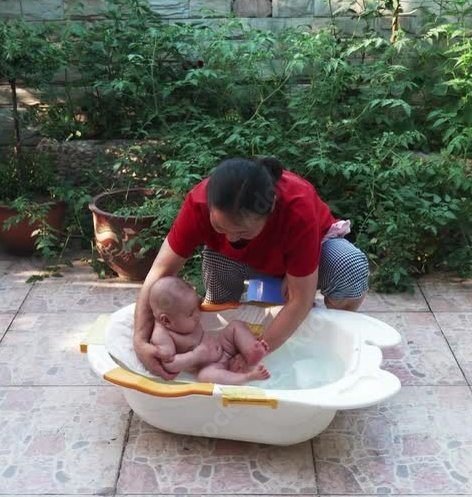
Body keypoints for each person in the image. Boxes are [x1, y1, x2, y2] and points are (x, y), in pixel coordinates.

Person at [133, 157, 370, 380]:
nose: (232, 238)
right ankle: (235, 303)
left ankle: (333, 334)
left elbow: (300, 300)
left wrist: (255, 353)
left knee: (350, 267)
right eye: (219, 227)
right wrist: (140, 340)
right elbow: (161, 272)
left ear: (271, 209)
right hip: (237, 262)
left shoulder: (297, 207)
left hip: (307, 258)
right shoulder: (199, 202)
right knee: (218, 285)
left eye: (243, 231)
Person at [149, 276, 271, 384]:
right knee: (204, 377)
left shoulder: (180, 314)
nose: (197, 315)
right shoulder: (162, 336)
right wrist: (194, 356)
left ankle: (250, 353)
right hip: (210, 365)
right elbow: (169, 364)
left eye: (196, 307)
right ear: (166, 321)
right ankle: (245, 377)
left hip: (224, 348)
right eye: (191, 313)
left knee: (235, 326)